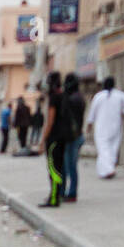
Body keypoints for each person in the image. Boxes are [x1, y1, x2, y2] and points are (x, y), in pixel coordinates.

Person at [85, 76, 124, 179]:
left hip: (101, 127)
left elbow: (92, 113)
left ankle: (109, 170)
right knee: (112, 148)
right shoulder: (120, 95)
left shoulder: (98, 96)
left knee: (103, 149)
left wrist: (89, 125)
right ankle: (105, 171)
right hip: (115, 126)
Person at [35, 72, 69, 207]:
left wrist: (42, 140)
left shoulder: (54, 97)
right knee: (59, 168)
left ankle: (54, 199)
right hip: (63, 137)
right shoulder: (63, 95)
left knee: (53, 169)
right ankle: (56, 195)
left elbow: (50, 121)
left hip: (54, 137)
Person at [61, 73, 86, 202]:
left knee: (70, 166)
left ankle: (71, 193)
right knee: (68, 166)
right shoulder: (78, 97)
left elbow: (65, 114)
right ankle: (66, 192)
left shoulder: (73, 99)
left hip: (72, 137)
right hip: (75, 136)